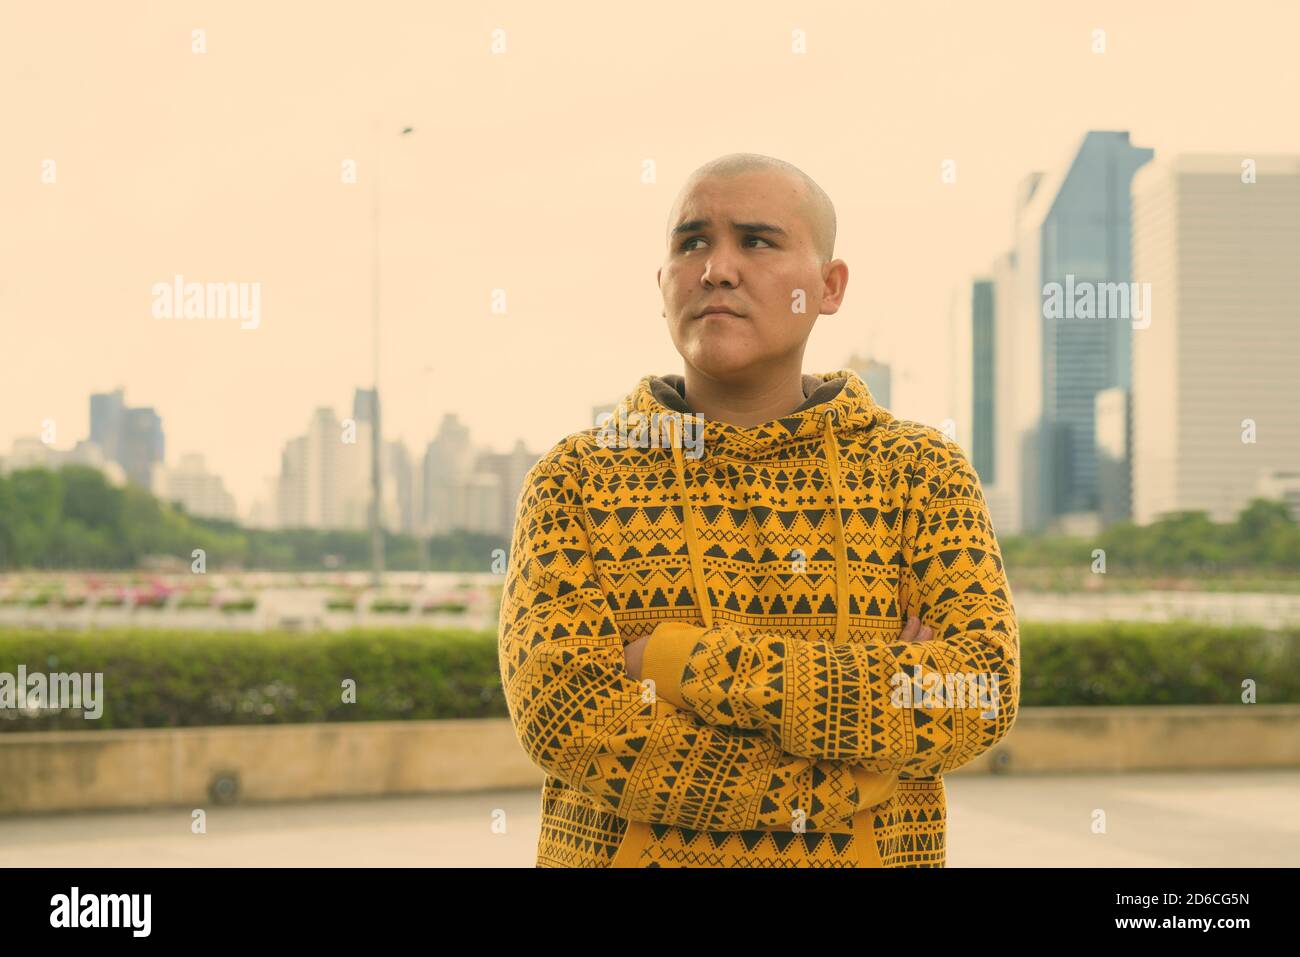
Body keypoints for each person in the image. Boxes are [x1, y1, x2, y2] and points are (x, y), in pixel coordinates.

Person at [498, 152, 1020, 867]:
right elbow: (565, 717)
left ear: (829, 286)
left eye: (757, 240)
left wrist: (672, 660)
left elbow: (979, 690)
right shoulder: (576, 479)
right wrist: (859, 769)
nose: (717, 267)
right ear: (662, 286)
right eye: (691, 243)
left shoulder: (919, 474)